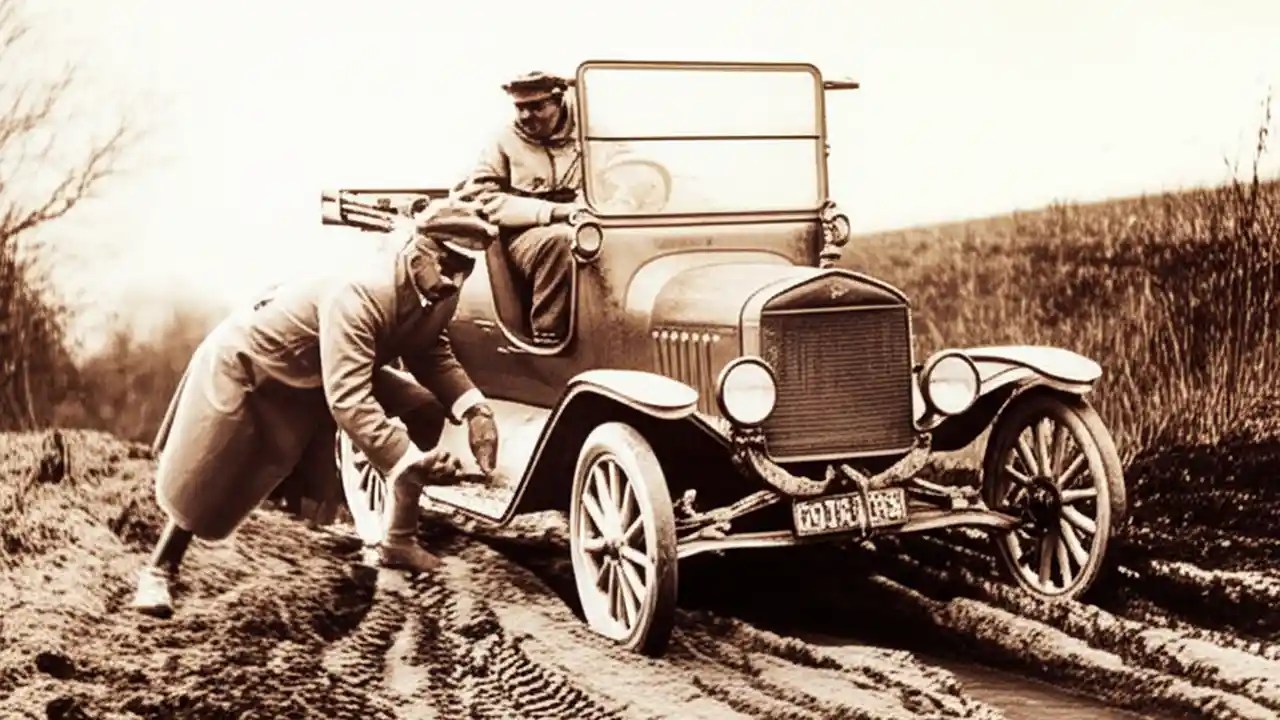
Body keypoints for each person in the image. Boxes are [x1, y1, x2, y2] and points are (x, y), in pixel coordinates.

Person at [130, 198, 502, 618]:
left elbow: (429, 350)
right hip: (254, 368)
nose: (455, 280)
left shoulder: (439, 291)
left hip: (323, 368)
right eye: (447, 263)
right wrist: (407, 458)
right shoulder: (363, 292)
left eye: (466, 269)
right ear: (419, 251)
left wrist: (475, 410)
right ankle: (159, 570)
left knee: (424, 409)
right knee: (208, 477)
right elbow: (349, 399)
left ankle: (397, 538)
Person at [457, 71, 582, 347]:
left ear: (559, 102)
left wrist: (631, 194)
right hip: (520, 235)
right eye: (520, 108)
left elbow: (631, 170)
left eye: (536, 107)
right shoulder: (503, 141)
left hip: (584, 225)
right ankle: (548, 337)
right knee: (559, 241)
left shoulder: (589, 134)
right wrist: (553, 212)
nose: (526, 116)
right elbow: (482, 197)